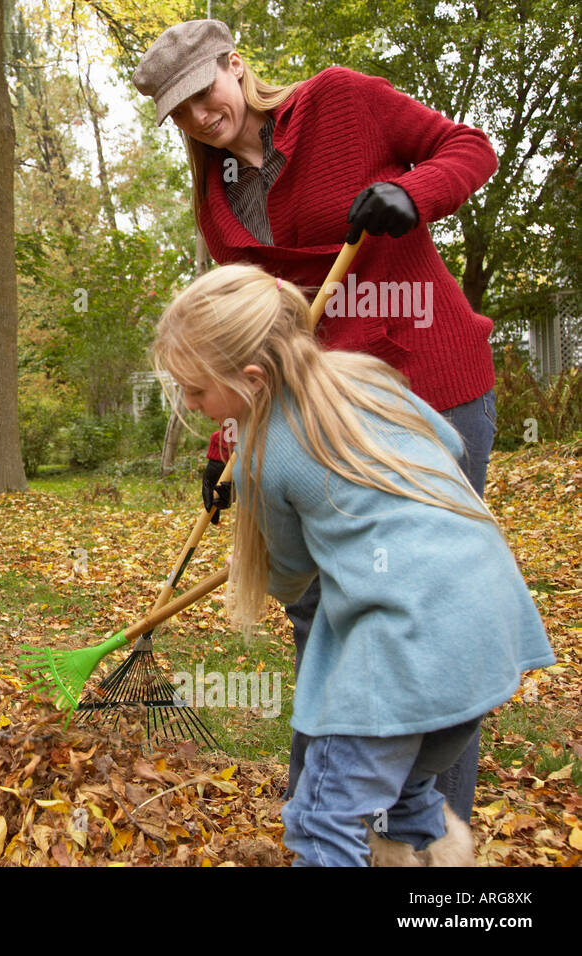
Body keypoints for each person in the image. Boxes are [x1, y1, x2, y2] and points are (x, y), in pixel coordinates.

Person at [133, 19, 500, 822]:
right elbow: (244, 334)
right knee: (322, 610)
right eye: (179, 111)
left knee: (426, 611)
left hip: (430, 389)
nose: (198, 116)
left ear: (236, 66)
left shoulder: (340, 100)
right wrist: (226, 444)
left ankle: (433, 826)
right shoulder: (215, 193)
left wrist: (413, 192)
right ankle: (322, 805)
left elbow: (471, 147)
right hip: (325, 411)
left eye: (204, 91)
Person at [154, 264, 552, 866]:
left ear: (253, 379)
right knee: (405, 798)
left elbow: (292, 574)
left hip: (406, 657)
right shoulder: (369, 380)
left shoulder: (267, 451)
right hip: (490, 634)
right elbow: (445, 446)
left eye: (196, 390)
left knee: (321, 821)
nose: (190, 403)